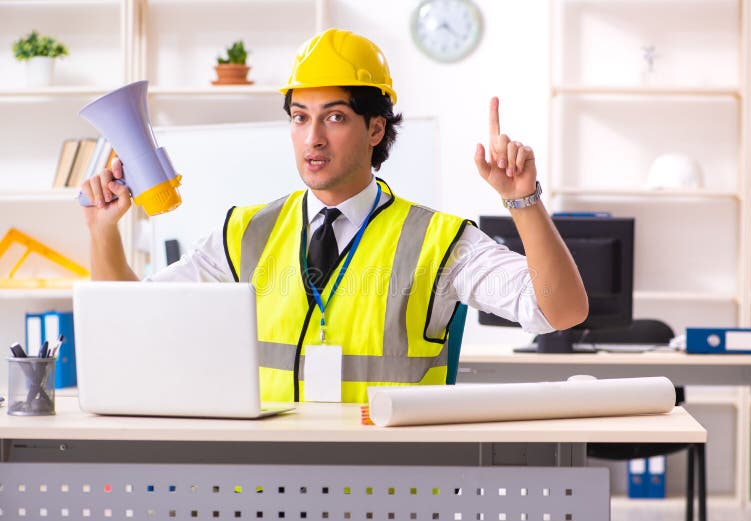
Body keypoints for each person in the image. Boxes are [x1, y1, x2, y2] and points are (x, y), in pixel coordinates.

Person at [80, 28, 587, 403]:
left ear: (374, 130)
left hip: (395, 493)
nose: (312, 138)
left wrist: (524, 200)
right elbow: (131, 318)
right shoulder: (244, 233)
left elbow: (560, 312)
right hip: (261, 492)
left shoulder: (439, 240)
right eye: (300, 118)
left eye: (335, 117)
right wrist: (103, 231)